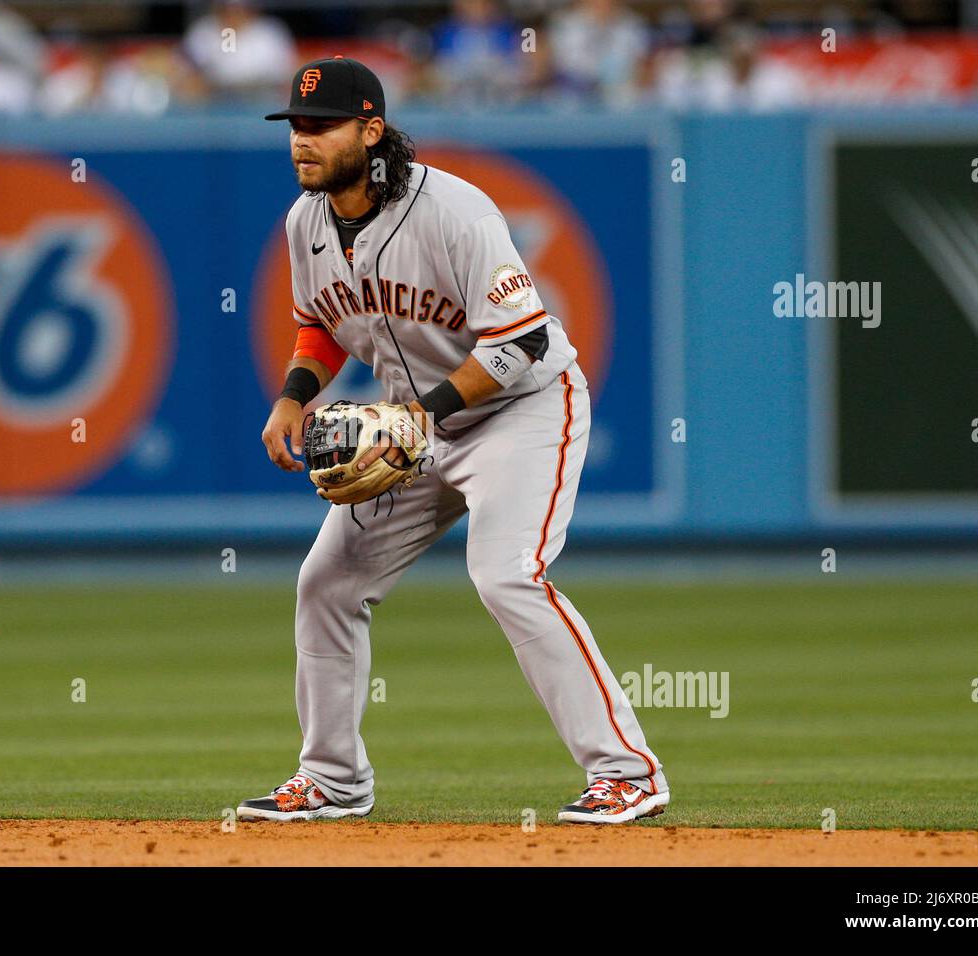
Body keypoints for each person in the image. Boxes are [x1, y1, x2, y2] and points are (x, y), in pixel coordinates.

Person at [240, 56, 669, 824]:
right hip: (417, 423)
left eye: (322, 126)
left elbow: (522, 343)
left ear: (371, 131)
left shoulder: (454, 211)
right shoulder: (305, 222)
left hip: (521, 410)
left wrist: (420, 418)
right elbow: (322, 323)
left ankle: (627, 771)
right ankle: (333, 780)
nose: (303, 141)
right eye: (295, 127)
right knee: (326, 584)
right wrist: (292, 398)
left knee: (507, 576)